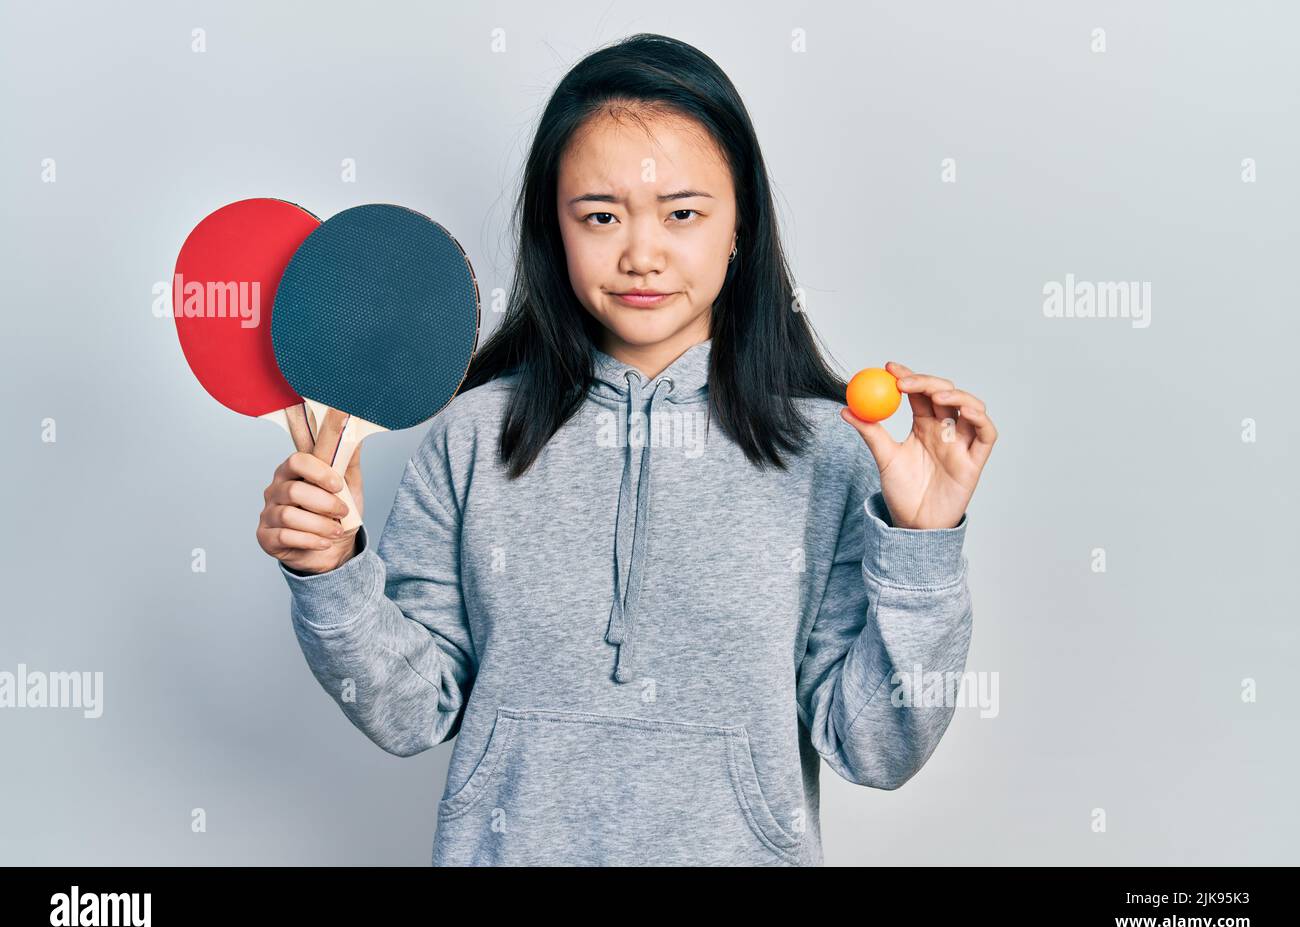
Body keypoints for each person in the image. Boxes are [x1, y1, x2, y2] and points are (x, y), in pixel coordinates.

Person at [256, 33, 997, 866]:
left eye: (683, 213)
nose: (641, 254)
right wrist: (330, 575)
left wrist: (925, 550)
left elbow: (877, 750)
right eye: (601, 216)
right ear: (555, 229)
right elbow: (409, 711)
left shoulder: (830, 454)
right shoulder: (471, 435)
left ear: (740, 226)